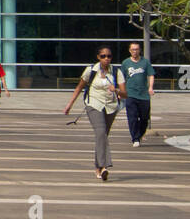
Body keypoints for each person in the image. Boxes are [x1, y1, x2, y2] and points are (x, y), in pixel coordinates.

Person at [64, 45, 127, 181]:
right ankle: (104, 166)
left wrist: (115, 90)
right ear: (98, 57)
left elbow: (125, 94)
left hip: (110, 107)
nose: (106, 59)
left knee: (102, 136)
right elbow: (79, 87)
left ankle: (98, 167)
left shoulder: (116, 71)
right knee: (100, 132)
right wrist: (70, 104)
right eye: (103, 56)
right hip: (94, 104)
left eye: (109, 56)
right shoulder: (91, 70)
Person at [121, 42, 155, 147]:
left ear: (139, 50)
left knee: (144, 118)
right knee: (132, 117)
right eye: (133, 49)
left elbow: (151, 75)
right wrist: (121, 92)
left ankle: (140, 134)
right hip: (130, 94)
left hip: (144, 95)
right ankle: (135, 138)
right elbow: (121, 78)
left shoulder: (145, 62)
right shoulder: (125, 63)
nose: (135, 51)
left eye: (136, 49)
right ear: (129, 51)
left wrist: (150, 87)